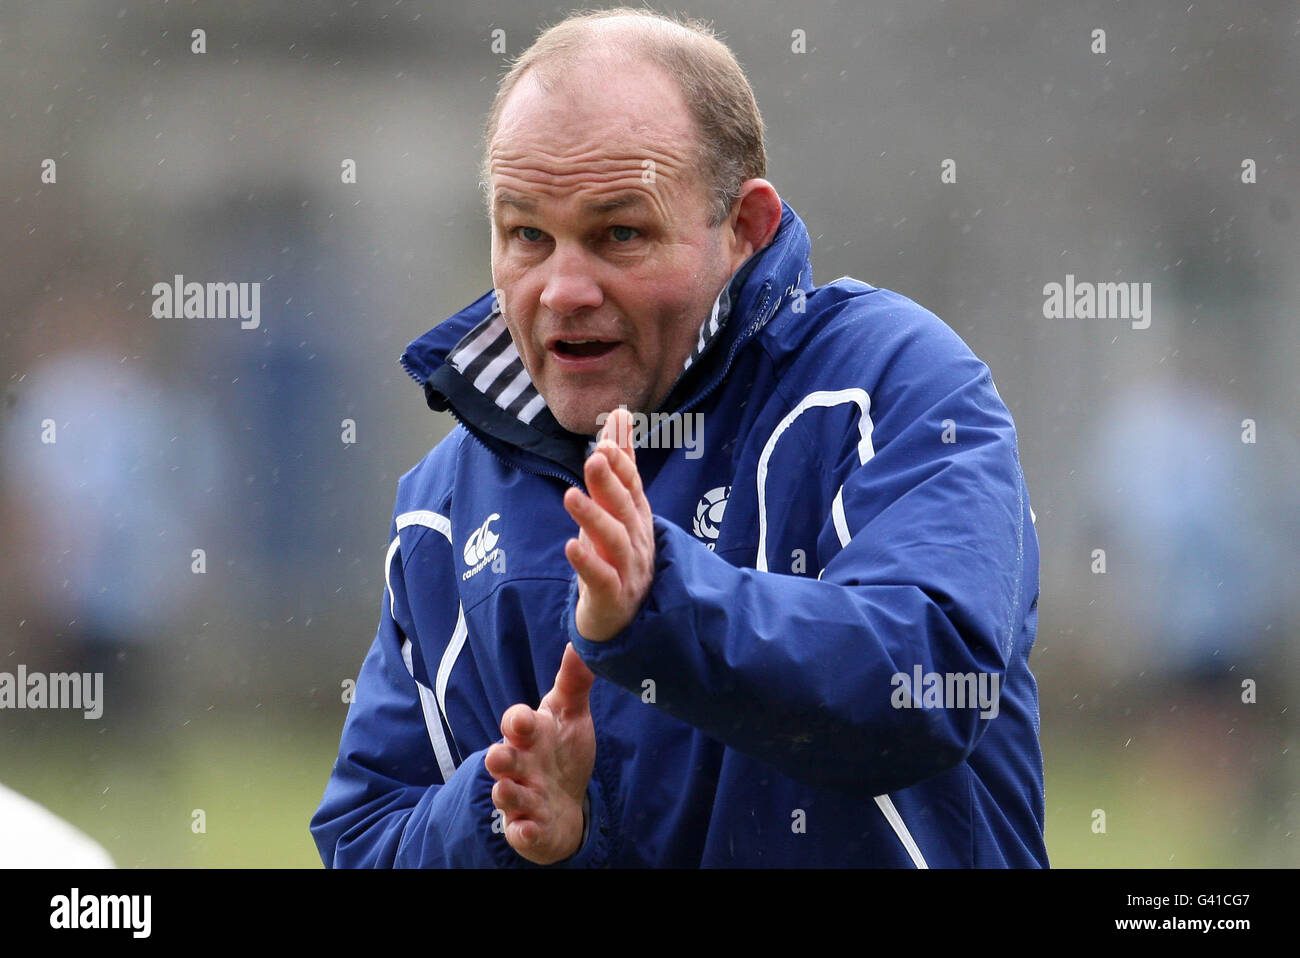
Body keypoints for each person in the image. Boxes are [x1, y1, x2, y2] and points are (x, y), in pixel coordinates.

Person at [310, 8, 1047, 868]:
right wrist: (504, 817)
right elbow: (362, 841)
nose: (562, 289)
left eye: (619, 232)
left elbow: (935, 679)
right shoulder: (441, 508)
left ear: (746, 228)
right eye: (527, 236)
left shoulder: (891, 381)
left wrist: (662, 602)